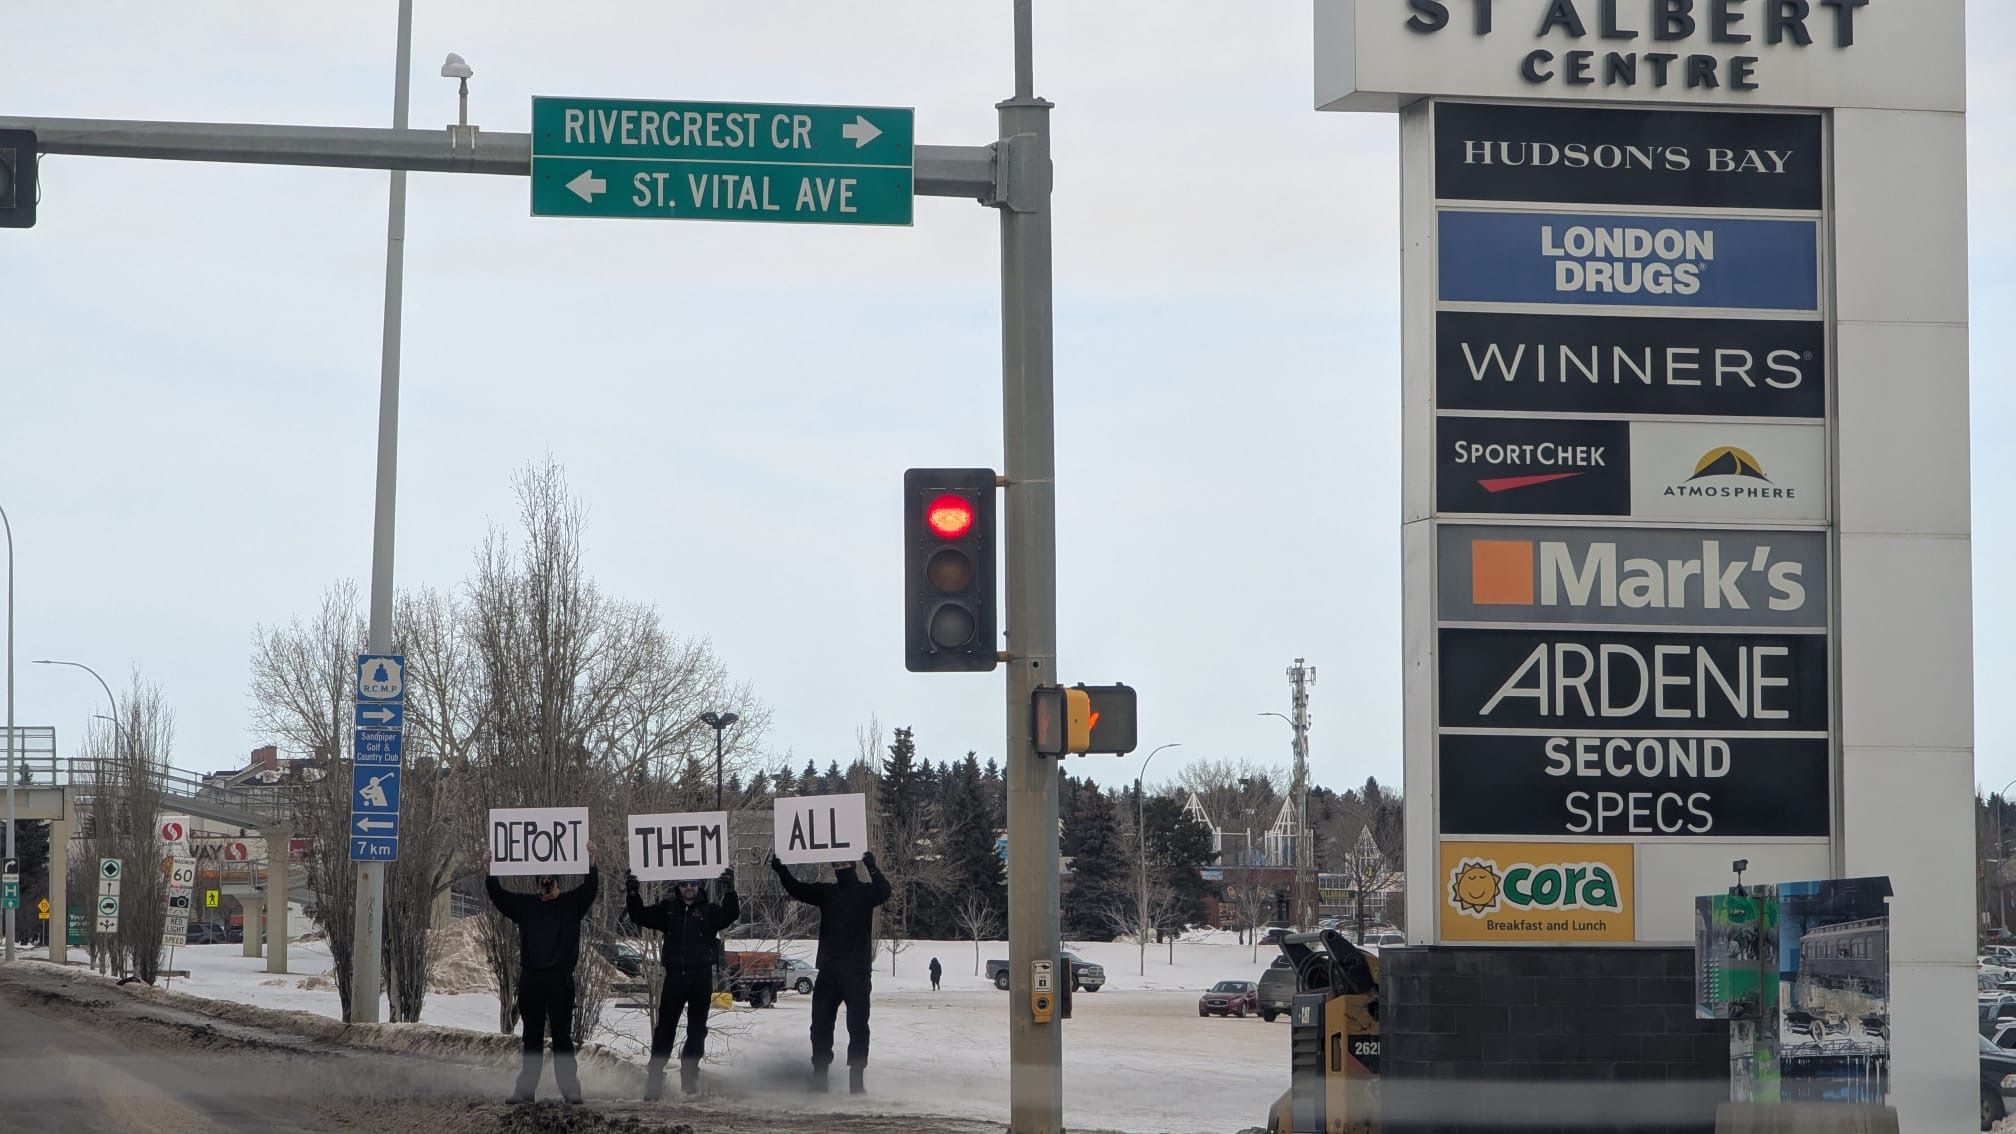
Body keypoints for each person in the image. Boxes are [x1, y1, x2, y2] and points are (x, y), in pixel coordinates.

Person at [485, 844, 600, 1104]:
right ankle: (526, 1090)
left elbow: (590, 889)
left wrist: (591, 863)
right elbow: (500, 897)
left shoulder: (571, 904)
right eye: (543, 881)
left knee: (562, 1037)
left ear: (558, 882)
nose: (547, 885)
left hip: (560, 979)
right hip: (532, 978)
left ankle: (570, 1090)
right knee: (532, 1038)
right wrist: (490, 870)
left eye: (551, 881)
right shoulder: (526, 906)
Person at [771, 850, 891, 1094]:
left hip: (856, 972)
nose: (840, 867)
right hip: (830, 971)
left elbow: (884, 892)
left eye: (845, 863)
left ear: (854, 865)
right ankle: (820, 1075)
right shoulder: (828, 893)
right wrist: (782, 871)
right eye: (836, 863)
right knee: (820, 1024)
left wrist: (874, 868)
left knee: (858, 1025)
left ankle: (856, 1078)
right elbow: (798, 889)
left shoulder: (865, 893)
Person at [625, 866, 739, 1099]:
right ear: (678, 886)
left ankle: (689, 1075)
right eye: (685, 884)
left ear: (699, 886)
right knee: (665, 1028)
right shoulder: (669, 909)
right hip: (675, 976)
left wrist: (730, 890)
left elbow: (730, 915)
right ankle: (655, 1077)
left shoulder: (708, 910)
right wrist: (633, 893)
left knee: (697, 1030)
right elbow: (639, 916)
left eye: (693, 884)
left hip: (701, 977)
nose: (689, 888)